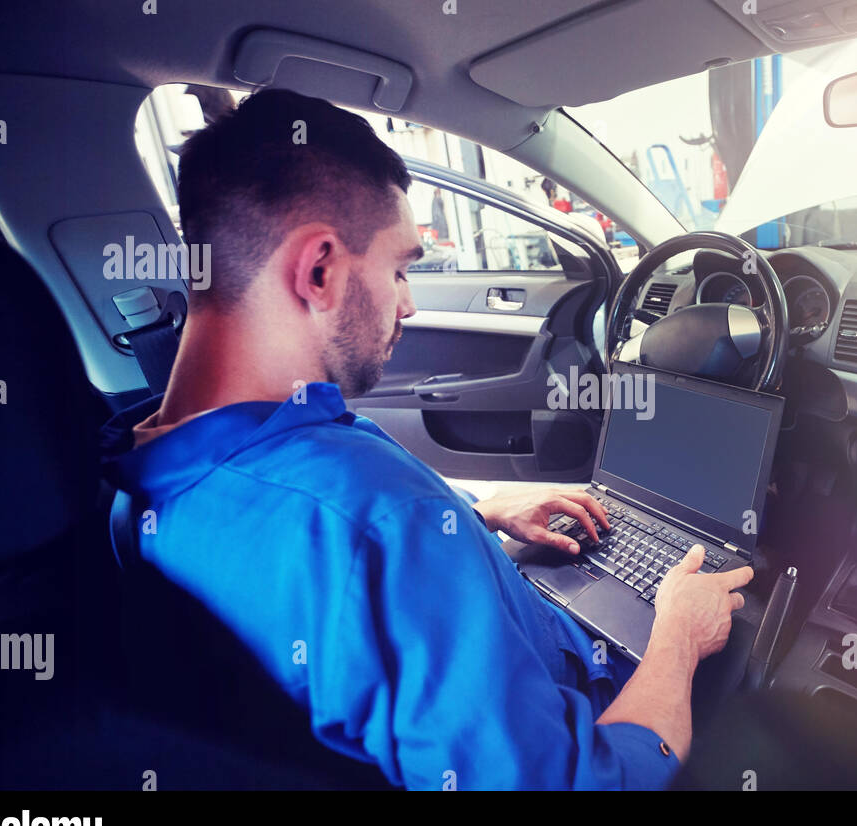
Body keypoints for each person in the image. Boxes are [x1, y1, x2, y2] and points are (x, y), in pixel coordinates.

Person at [100, 89, 752, 790]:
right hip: (600, 721)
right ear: (318, 268)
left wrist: (471, 527)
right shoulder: (378, 520)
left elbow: (348, 609)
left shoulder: (143, 476)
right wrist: (678, 639)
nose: (408, 301)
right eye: (402, 267)